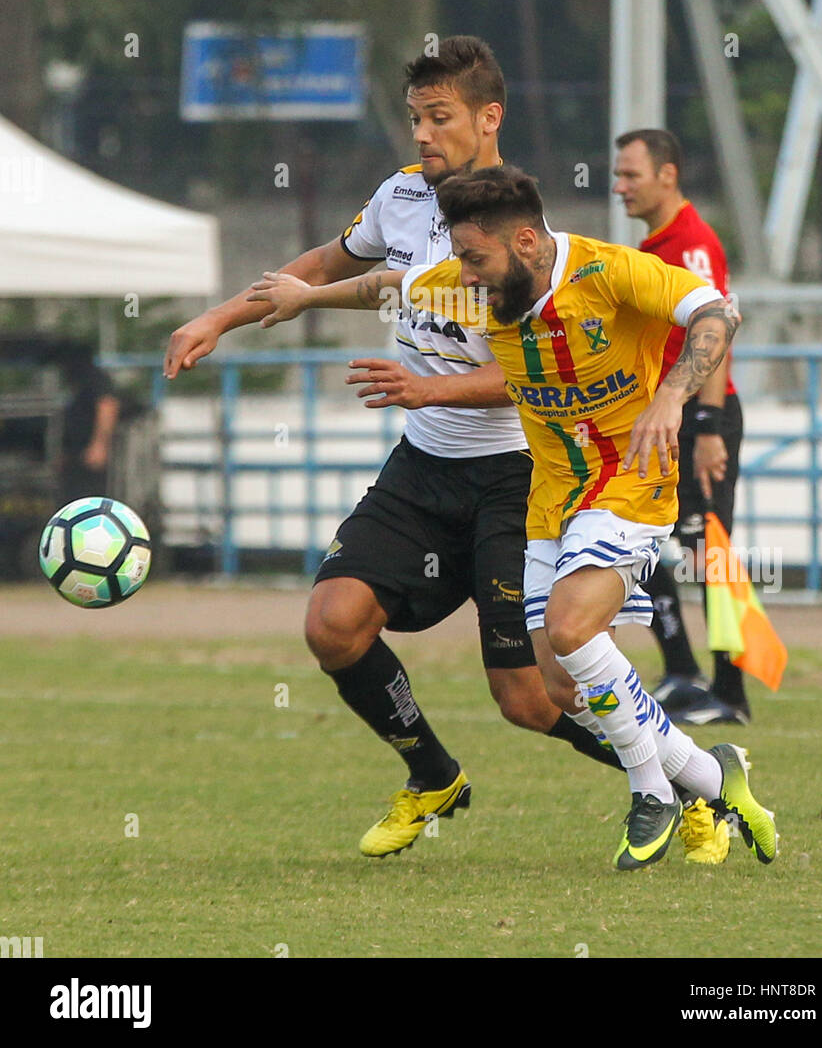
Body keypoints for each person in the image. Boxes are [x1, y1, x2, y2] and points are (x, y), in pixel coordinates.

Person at [165, 36, 652, 863]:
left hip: (516, 478)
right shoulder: (399, 198)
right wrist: (218, 317)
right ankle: (432, 774)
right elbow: (329, 266)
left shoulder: (520, 232)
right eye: (415, 118)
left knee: (533, 699)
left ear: (488, 119)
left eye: (440, 118)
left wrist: (428, 386)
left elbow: (533, 375)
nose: (423, 134)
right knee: (334, 625)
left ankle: (682, 780)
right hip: (425, 467)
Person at [249, 165, 778, 872]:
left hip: (630, 482)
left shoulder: (613, 273)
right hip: (550, 495)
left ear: (526, 241)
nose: (463, 276)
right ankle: (714, 779)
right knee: (559, 686)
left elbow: (717, 313)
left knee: (570, 627)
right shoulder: (473, 281)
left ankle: (653, 789)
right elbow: (383, 285)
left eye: (474, 258)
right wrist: (307, 296)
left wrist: (674, 397)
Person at [613, 130, 749, 726]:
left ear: (667, 175)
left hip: (701, 419)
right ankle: (682, 670)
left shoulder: (691, 243)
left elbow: (716, 333)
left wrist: (710, 426)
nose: (619, 186)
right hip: (669, 417)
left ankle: (731, 692)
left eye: (630, 175)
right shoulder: (657, 242)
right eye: (616, 175)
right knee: (648, 540)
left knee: (708, 550)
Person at [56, 342, 121, 506]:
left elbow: (107, 406)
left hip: (90, 454)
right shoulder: (77, 383)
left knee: (92, 500)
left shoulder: (94, 378)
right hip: (76, 454)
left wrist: (99, 445)